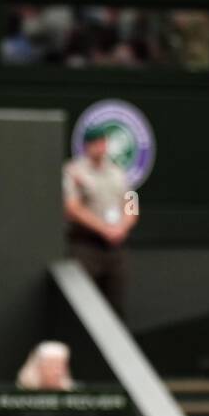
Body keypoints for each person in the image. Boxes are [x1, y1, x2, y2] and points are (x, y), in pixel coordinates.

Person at [63, 123, 136, 318]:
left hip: (115, 246)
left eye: (103, 141)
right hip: (86, 246)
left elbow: (132, 204)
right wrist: (104, 229)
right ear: (87, 145)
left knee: (116, 304)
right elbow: (72, 208)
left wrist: (122, 227)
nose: (100, 146)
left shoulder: (118, 172)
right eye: (95, 142)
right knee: (86, 305)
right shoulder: (74, 171)